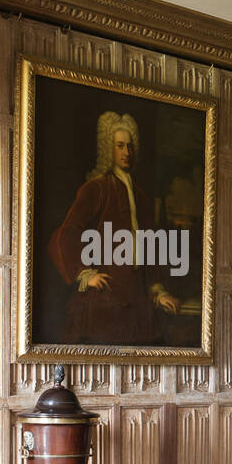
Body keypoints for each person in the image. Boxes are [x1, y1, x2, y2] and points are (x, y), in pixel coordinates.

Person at [47, 111, 180, 345]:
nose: (126, 152)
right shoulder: (95, 189)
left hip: (137, 299)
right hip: (104, 298)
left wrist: (159, 291)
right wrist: (85, 274)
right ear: (109, 148)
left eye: (130, 146)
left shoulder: (139, 195)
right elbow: (63, 235)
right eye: (120, 146)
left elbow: (150, 246)